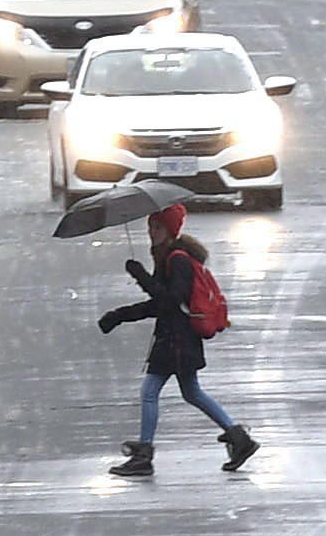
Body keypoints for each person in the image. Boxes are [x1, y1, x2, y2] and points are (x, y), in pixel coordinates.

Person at [97, 204, 256, 476]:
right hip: (179, 337)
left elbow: (169, 301)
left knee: (150, 392)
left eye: (157, 227)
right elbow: (160, 303)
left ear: (170, 230)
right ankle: (239, 438)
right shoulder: (168, 256)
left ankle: (144, 454)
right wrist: (120, 315)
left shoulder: (177, 260)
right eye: (150, 226)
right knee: (191, 392)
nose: (151, 231)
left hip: (176, 340)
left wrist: (140, 277)